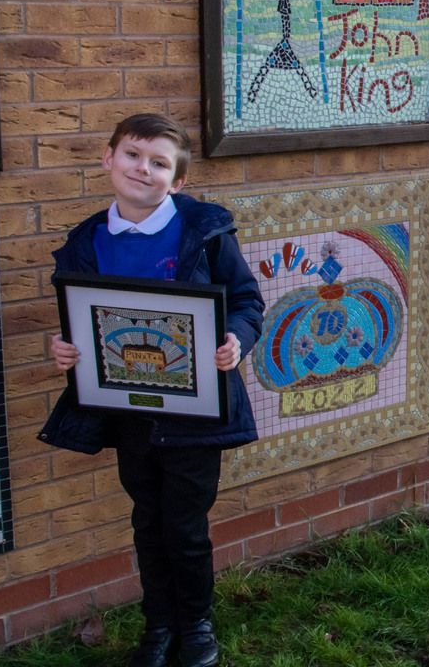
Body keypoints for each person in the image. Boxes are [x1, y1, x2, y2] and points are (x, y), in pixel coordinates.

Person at [38, 113, 264, 667]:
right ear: (107, 160)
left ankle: (196, 625)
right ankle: (158, 625)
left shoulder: (205, 233)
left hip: (195, 412)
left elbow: (246, 302)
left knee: (185, 525)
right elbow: (82, 323)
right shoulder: (85, 242)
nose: (144, 169)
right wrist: (64, 348)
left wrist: (235, 340)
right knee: (147, 519)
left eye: (159, 163)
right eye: (133, 155)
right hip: (127, 411)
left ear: (177, 180)